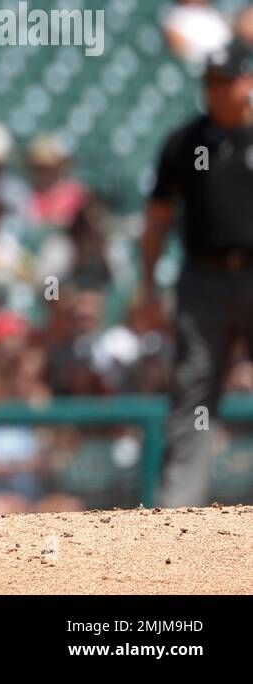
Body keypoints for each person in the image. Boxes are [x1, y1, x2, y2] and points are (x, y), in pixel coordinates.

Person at [141, 44, 253, 507]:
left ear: (248, 82)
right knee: (193, 390)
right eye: (210, 82)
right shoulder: (186, 143)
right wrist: (147, 285)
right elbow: (158, 219)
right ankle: (178, 510)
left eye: (226, 80)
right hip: (202, 279)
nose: (217, 90)